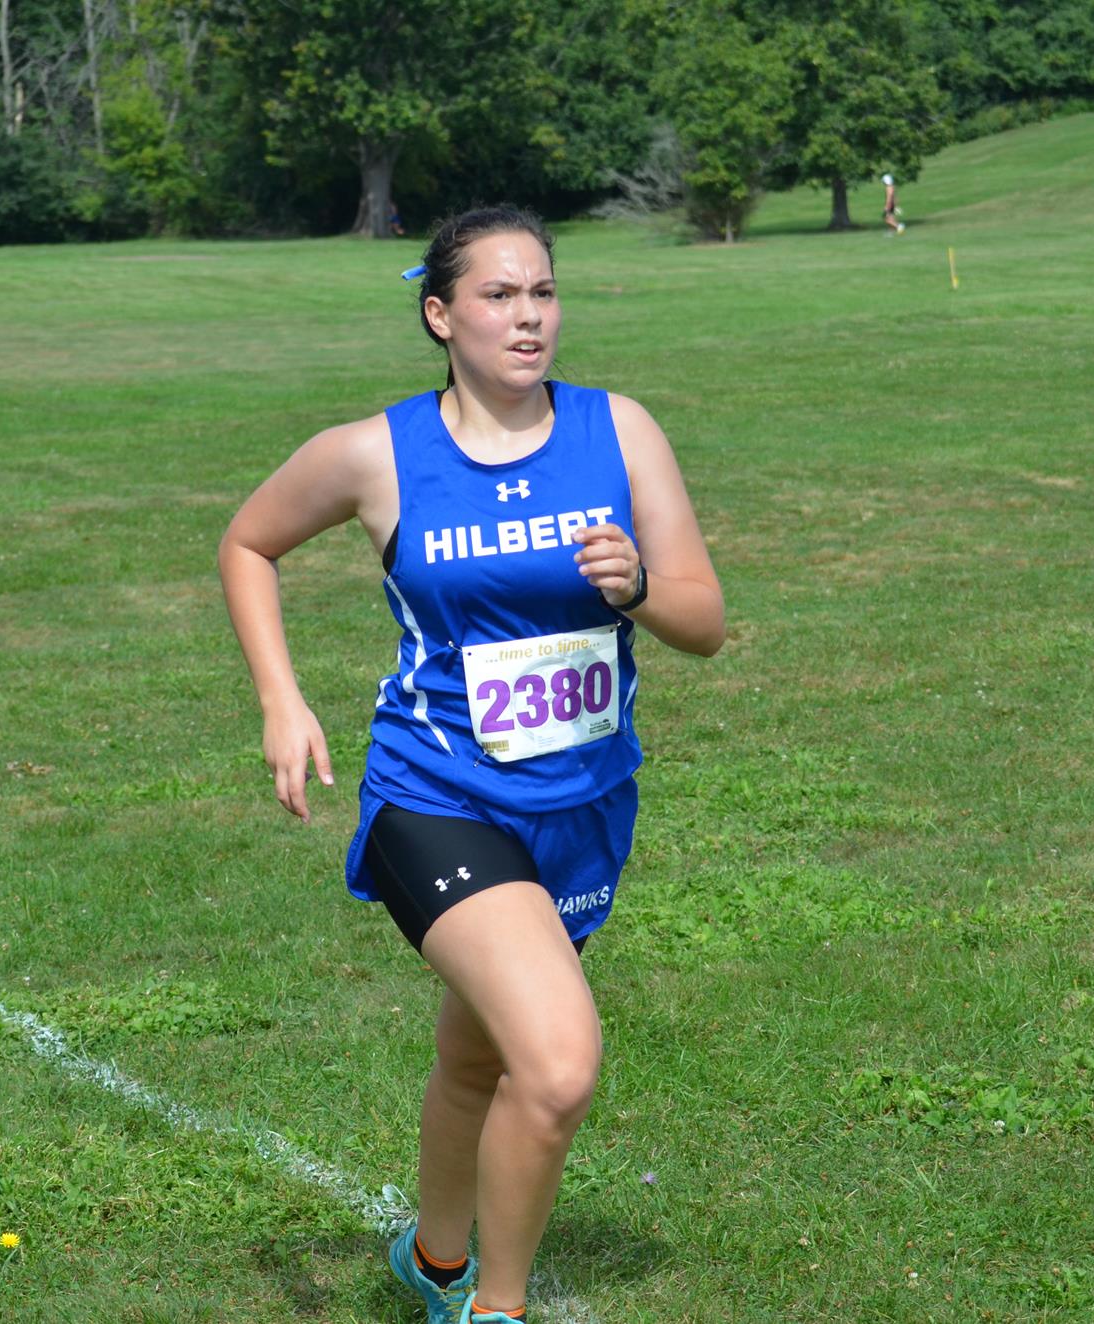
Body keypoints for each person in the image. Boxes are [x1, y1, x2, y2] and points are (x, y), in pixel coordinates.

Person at [218, 205, 725, 1324]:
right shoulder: (377, 452)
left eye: (541, 291)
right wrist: (279, 698)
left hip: (583, 804)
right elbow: (247, 541)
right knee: (555, 1064)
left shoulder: (618, 432)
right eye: (498, 296)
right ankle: (490, 1309)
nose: (528, 315)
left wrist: (637, 585)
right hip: (434, 797)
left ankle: (432, 1261)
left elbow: (703, 619)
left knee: (475, 1058)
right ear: (440, 315)